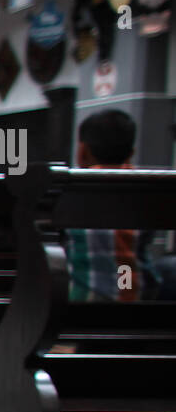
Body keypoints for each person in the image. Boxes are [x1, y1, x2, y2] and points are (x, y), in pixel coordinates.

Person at [64, 110, 152, 303]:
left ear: (82, 152)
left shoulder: (69, 192)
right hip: (132, 304)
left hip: (78, 307)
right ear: (131, 154)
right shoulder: (148, 191)